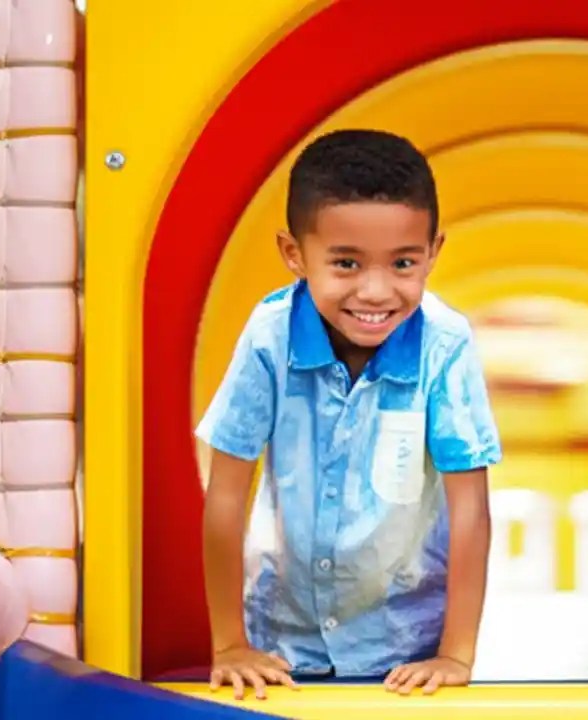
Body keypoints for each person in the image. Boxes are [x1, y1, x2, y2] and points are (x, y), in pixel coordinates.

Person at [196, 129, 501, 700]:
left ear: (434, 251)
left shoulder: (444, 344)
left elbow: (470, 510)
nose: (376, 291)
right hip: (286, 641)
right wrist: (229, 644)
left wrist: (455, 653)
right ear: (295, 255)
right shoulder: (270, 338)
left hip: (405, 643)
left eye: (404, 263)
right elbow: (227, 493)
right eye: (346, 264)